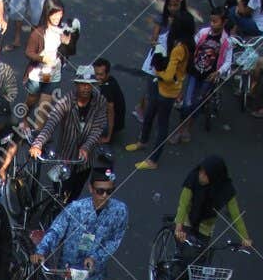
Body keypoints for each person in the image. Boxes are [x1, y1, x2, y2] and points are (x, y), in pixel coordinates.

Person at [31, 166, 128, 280]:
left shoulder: (120, 210)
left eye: (109, 191)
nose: (104, 196)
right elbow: (56, 230)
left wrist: (96, 258)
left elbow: (114, 240)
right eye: (100, 191)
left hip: (92, 277)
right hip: (67, 272)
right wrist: (42, 250)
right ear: (91, 188)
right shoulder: (76, 208)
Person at [155, 155, 252, 280]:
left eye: (205, 174)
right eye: (201, 171)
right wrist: (179, 226)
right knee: (184, 258)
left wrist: (244, 237)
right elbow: (183, 203)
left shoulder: (226, 189)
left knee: (200, 263)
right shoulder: (193, 178)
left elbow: (235, 215)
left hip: (205, 226)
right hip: (187, 220)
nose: (201, 176)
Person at [22, 64, 107, 195]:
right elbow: (51, 123)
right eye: (82, 84)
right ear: (76, 84)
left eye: (89, 84)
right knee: (60, 191)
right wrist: (38, 143)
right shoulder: (66, 101)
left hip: (85, 159)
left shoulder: (100, 102)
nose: (85, 87)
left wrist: (86, 147)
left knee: (75, 193)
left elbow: (97, 129)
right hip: (65, 155)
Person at [126, 9, 194, 168]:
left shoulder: (179, 48)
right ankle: (142, 141)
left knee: (162, 123)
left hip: (167, 89)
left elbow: (169, 75)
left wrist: (158, 70)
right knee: (149, 113)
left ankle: (153, 160)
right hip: (166, 87)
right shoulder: (185, 45)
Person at [21, 0, 79, 118]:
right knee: (32, 99)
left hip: (53, 75)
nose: (58, 17)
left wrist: (68, 43)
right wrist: (42, 58)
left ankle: (37, 134)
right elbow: (28, 52)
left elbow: (72, 52)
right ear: (48, 13)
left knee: (44, 107)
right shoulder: (38, 33)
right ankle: (24, 119)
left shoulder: (64, 31)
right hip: (36, 74)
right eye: (55, 14)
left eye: (60, 13)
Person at [180, 12, 232, 135]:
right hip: (195, 72)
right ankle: (181, 128)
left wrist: (218, 72)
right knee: (187, 103)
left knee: (198, 103)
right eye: (211, 21)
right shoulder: (203, 33)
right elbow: (192, 45)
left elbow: (228, 61)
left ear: (224, 22)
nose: (212, 24)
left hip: (208, 78)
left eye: (215, 21)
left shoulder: (226, 42)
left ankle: (187, 128)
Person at [91, 57, 125, 144]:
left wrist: (108, 137)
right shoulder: (110, 79)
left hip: (113, 122)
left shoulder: (107, 90)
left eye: (101, 74)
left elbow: (111, 113)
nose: (97, 77)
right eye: (96, 74)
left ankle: (104, 133)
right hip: (118, 119)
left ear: (107, 73)